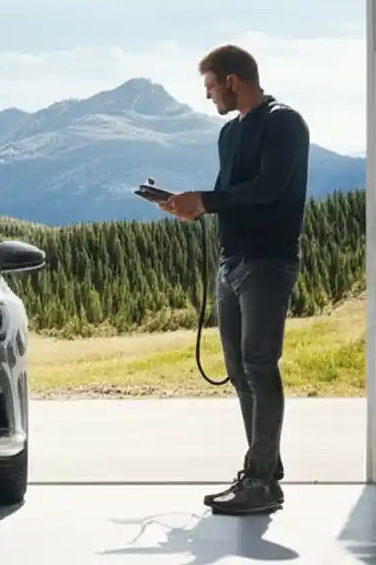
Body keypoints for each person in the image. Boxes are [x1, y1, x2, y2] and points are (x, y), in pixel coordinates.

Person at [159, 44, 309, 516]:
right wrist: (193, 206)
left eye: (209, 86)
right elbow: (229, 195)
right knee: (241, 372)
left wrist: (205, 200)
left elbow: (270, 189)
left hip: (268, 262)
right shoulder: (229, 134)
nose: (208, 98)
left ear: (231, 80)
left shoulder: (284, 122)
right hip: (231, 263)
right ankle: (262, 473)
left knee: (260, 365)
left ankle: (261, 480)